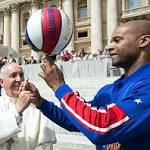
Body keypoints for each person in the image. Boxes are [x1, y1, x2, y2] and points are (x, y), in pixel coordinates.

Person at [31, 20, 150, 150]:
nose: (108, 47)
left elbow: (102, 127)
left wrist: (60, 87)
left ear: (143, 41)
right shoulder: (107, 90)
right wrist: (40, 102)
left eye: (117, 40)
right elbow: (74, 120)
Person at [0, 63, 56, 150]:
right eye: (13, 75)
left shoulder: (38, 107)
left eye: (21, 75)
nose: (19, 79)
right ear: (2, 82)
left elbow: (45, 144)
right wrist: (17, 110)